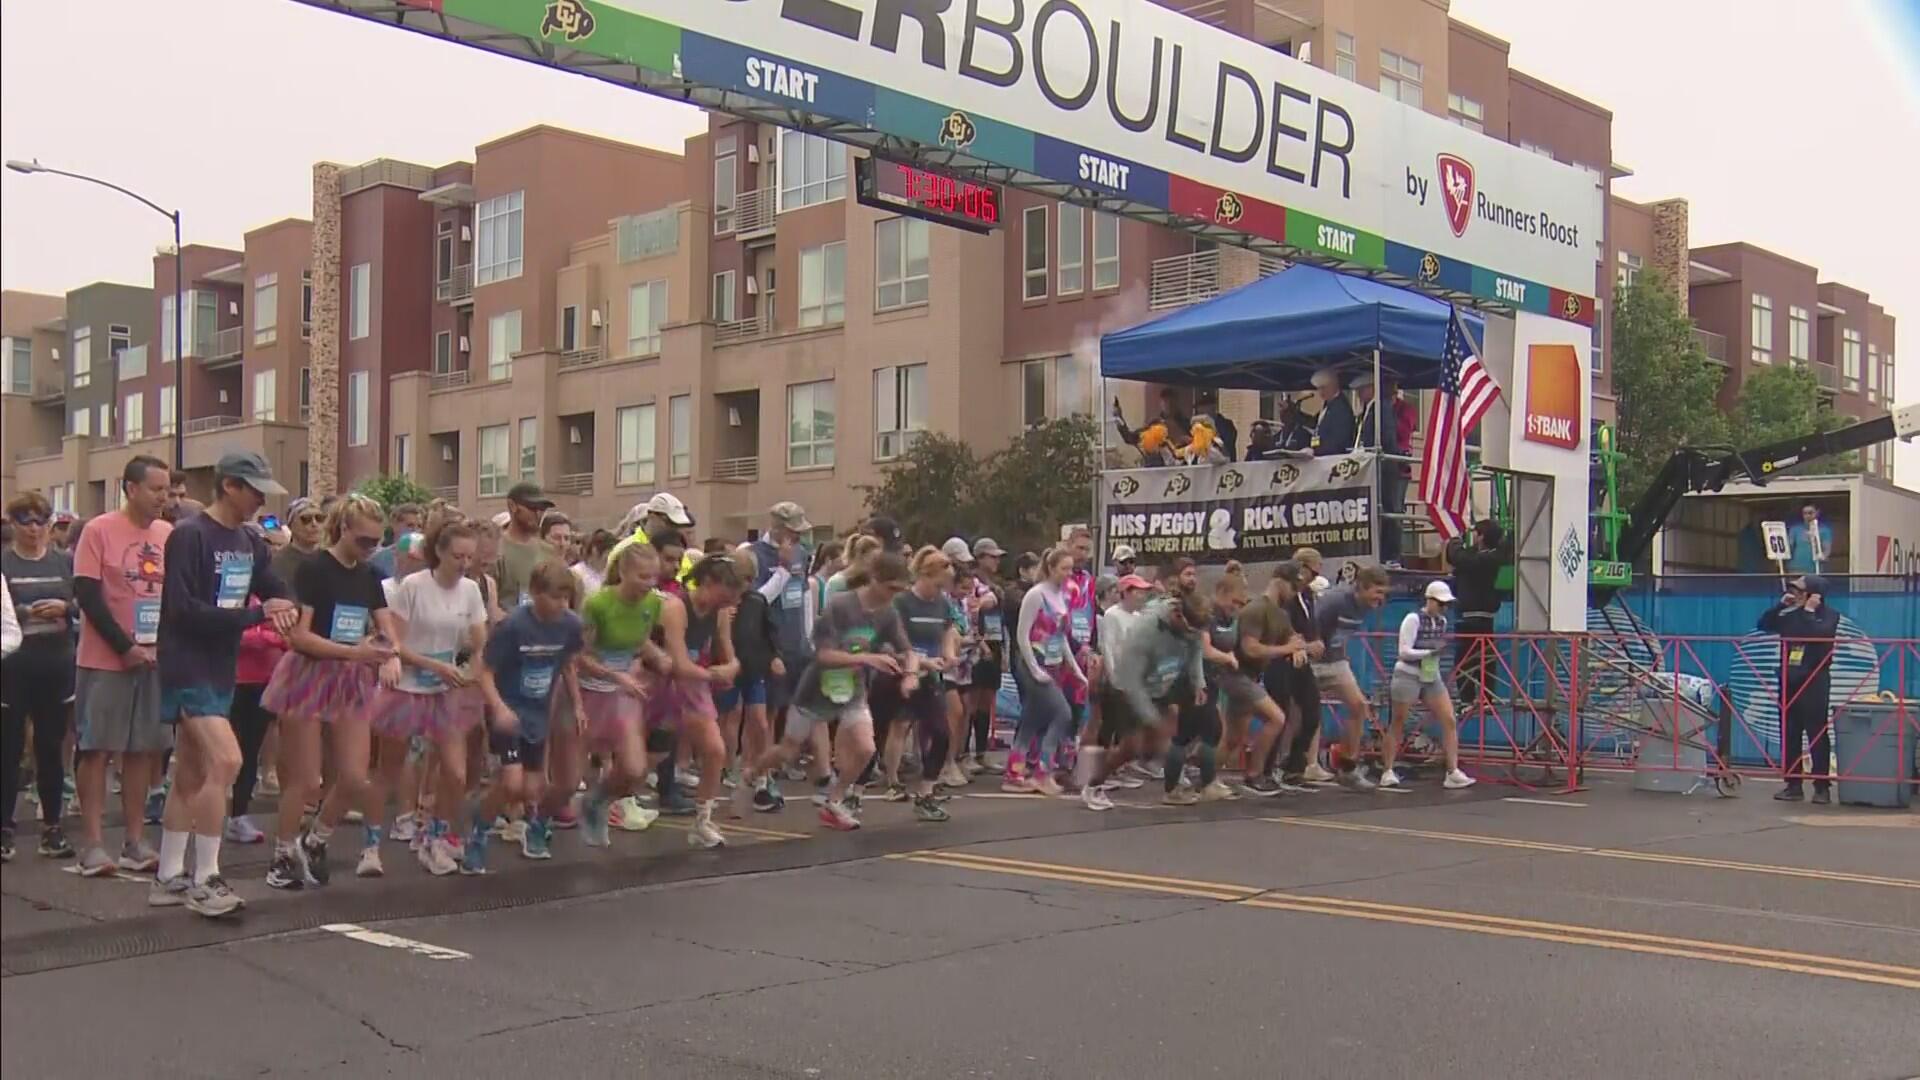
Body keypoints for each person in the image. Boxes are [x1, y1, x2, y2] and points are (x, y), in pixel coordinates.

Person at [155, 451, 300, 916]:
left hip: (221, 665)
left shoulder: (249, 540)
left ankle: (169, 875)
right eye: (254, 490)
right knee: (228, 760)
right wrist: (259, 613)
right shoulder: (189, 536)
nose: (260, 499)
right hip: (186, 663)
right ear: (230, 486)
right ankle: (206, 878)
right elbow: (182, 609)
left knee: (193, 772)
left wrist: (283, 603)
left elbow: (276, 583)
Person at [262, 494, 401, 886]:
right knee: (306, 780)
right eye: (364, 541)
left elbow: (385, 626)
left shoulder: (370, 575)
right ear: (342, 530)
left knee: (356, 777)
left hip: (350, 677)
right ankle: (283, 854)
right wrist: (354, 651)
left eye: (377, 542)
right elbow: (300, 637)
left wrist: (389, 652)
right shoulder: (313, 569)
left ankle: (317, 839)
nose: (372, 549)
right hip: (309, 675)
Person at [70, 457, 176, 878]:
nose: (163, 498)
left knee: (142, 749)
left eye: (167, 490)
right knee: (97, 748)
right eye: (156, 489)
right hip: (105, 660)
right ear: (130, 488)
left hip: (154, 659)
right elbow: (87, 594)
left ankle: (135, 841)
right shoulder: (98, 530)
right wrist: (123, 646)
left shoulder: (169, 534)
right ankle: (93, 844)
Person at [369, 519, 490, 875]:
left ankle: (433, 839)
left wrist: (472, 668)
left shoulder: (470, 590)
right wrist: (432, 666)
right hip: (408, 687)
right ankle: (371, 846)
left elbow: (479, 640)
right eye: (458, 556)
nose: (465, 564)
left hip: (445, 690)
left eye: (470, 557)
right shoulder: (414, 586)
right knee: (389, 769)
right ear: (438, 552)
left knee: (455, 771)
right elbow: (396, 644)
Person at [470, 561, 586, 865]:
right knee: (511, 783)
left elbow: (567, 664)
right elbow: (483, 671)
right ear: (535, 593)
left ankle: (535, 826)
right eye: (554, 597)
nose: (561, 605)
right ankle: (478, 832)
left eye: (566, 599)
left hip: (537, 713)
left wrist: (576, 704)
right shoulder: (512, 627)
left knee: (534, 788)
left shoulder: (570, 625)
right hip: (508, 708)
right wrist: (498, 708)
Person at [791, 551, 916, 830]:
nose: (893, 595)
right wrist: (868, 659)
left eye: (899, 590)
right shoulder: (841, 605)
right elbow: (824, 655)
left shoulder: (889, 613)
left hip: (853, 687)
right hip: (819, 683)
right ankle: (753, 777)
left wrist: (910, 674)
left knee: (865, 748)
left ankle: (833, 801)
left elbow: (907, 650)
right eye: (890, 588)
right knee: (787, 748)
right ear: (874, 579)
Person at [574, 541, 668, 849]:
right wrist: (614, 674)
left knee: (634, 769)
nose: (649, 584)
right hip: (589, 692)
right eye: (642, 576)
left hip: (624, 692)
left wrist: (658, 658)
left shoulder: (653, 603)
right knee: (566, 777)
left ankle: (598, 800)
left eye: (653, 576)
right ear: (624, 572)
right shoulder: (598, 604)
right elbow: (580, 658)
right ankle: (535, 822)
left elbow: (639, 640)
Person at [2, 491, 76, 861]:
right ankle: (5, 829)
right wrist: (23, 610)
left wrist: (66, 607)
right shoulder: (4, 563)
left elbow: (85, 603)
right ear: (12, 524)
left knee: (50, 748)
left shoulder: (64, 562)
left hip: (56, 664)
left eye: (41, 521)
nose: (34, 529)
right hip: (13, 667)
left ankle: (52, 827)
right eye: (26, 521)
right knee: (8, 749)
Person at [651, 554, 743, 847]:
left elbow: (730, 654)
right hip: (660, 681)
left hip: (695, 684)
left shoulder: (718, 612)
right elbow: (677, 663)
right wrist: (715, 674)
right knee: (645, 761)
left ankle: (702, 821)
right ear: (707, 583)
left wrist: (730, 668)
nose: (727, 604)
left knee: (715, 750)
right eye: (724, 596)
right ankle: (609, 799)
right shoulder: (676, 607)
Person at [867, 547, 952, 820]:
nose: (939, 590)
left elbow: (949, 628)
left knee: (941, 732)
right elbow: (890, 643)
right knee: (886, 730)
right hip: (896, 673)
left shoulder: (942, 603)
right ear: (924, 577)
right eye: (937, 584)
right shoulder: (902, 603)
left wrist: (948, 652)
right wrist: (918, 664)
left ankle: (926, 792)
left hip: (927, 677)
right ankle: (873, 785)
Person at [1005, 548, 1085, 795]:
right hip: (1034, 663)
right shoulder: (1035, 595)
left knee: (1032, 717)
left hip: (1053, 663)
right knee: (1061, 713)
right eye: (1064, 568)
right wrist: (1034, 668)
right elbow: (1022, 635)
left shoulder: (1062, 596)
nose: (1068, 574)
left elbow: (1060, 638)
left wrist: (1075, 670)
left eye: (1071, 569)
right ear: (1050, 568)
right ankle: (1043, 770)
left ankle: (1014, 772)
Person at [1384, 581, 1476, 790]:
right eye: (1441, 603)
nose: (1444, 608)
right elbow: (1404, 651)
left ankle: (1452, 771)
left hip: (1430, 675)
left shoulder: (1441, 622)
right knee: (1398, 721)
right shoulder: (1413, 619)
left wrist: (1433, 658)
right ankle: (1388, 770)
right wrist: (1429, 653)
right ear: (1429, 600)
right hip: (1408, 673)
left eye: (1446, 605)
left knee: (1449, 719)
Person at [1227, 566, 1307, 796]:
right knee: (1276, 718)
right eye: (1293, 586)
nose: (1294, 592)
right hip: (1236, 674)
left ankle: (1199, 773)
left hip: (1250, 677)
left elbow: (1292, 636)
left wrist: (1298, 647)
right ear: (1279, 582)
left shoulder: (1280, 613)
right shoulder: (1256, 609)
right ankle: (1254, 774)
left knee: (1232, 739)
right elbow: (1250, 649)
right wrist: (1288, 648)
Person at [1761, 574, 1841, 804]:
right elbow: (1764, 624)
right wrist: (1779, 607)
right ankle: (1793, 784)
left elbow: (1818, 635)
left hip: (1815, 679)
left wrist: (1809, 611)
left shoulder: (1829, 617)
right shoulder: (1791, 616)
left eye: (1799, 590)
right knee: (1790, 731)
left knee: (1816, 732)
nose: (1794, 594)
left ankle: (1821, 786)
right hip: (1790, 678)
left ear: (1814, 594)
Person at [1314, 564, 1391, 791]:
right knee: (1305, 713)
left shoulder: (1367, 607)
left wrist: (1339, 653)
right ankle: (1299, 765)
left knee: (1358, 706)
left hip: (1335, 660)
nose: (1381, 598)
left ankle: (1348, 766)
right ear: (1362, 588)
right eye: (1377, 592)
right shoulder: (1335, 600)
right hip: (1312, 658)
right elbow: (1310, 627)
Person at [718, 545, 781, 812]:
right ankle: (729, 766)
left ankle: (760, 769)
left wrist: (774, 657)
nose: (747, 586)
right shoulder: (722, 605)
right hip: (730, 667)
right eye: (743, 580)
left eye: (750, 581)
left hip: (754, 668)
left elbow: (769, 633)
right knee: (730, 715)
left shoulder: (756, 601)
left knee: (759, 720)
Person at [1446, 519, 1510, 708]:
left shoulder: (1491, 558)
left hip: (1480, 617)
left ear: (1482, 536)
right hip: (1467, 616)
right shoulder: (1480, 555)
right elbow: (1458, 559)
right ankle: (1471, 700)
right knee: (1466, 662)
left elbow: (1459, 558)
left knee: (1478, 661)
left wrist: (1454, 537)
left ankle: (1482, 700)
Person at [1353, 372, 1404, 565]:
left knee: (1389, 508)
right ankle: (1381, 551)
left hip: (1384, 467)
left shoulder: (1382, 408)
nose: (1358, 395)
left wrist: (1388, 457)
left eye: (1361, 390)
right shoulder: (1369, 409)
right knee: (1378, 508)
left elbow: (1388, 436)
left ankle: (1391, 555)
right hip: (1371, 466)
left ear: (1371, 388)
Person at [494, 482, 556, 610]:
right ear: (512, 506)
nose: (538, 515)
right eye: (532, 508)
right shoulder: (496, 549)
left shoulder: (549, 552)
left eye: (542, 510)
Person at [272, 497, 325, 585]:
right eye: (306, 519)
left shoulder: (329, 559)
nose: (314, 524)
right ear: (291, 525)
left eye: (319, 518)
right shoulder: (279, 562)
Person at [1309, 369, 1356, 456]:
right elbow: (1314, 423)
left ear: (1333, 385)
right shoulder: (1328, 404)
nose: (1320, 392)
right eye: (1318, 388)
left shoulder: (1341, 408)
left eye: (1323, 387)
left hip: (1332, 458)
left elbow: (1339, 441)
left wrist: (1316, 451)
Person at [1786, 505, 1832, 575]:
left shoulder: (1824, 530)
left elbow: (1827, 549)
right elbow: (1789, 547)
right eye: (1805, 513)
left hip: (1815, 568)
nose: (1807, 516)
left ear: (1817, 513)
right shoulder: (1795, 529)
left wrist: (1823, 557)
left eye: (1810, 513)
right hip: (1795, 568)